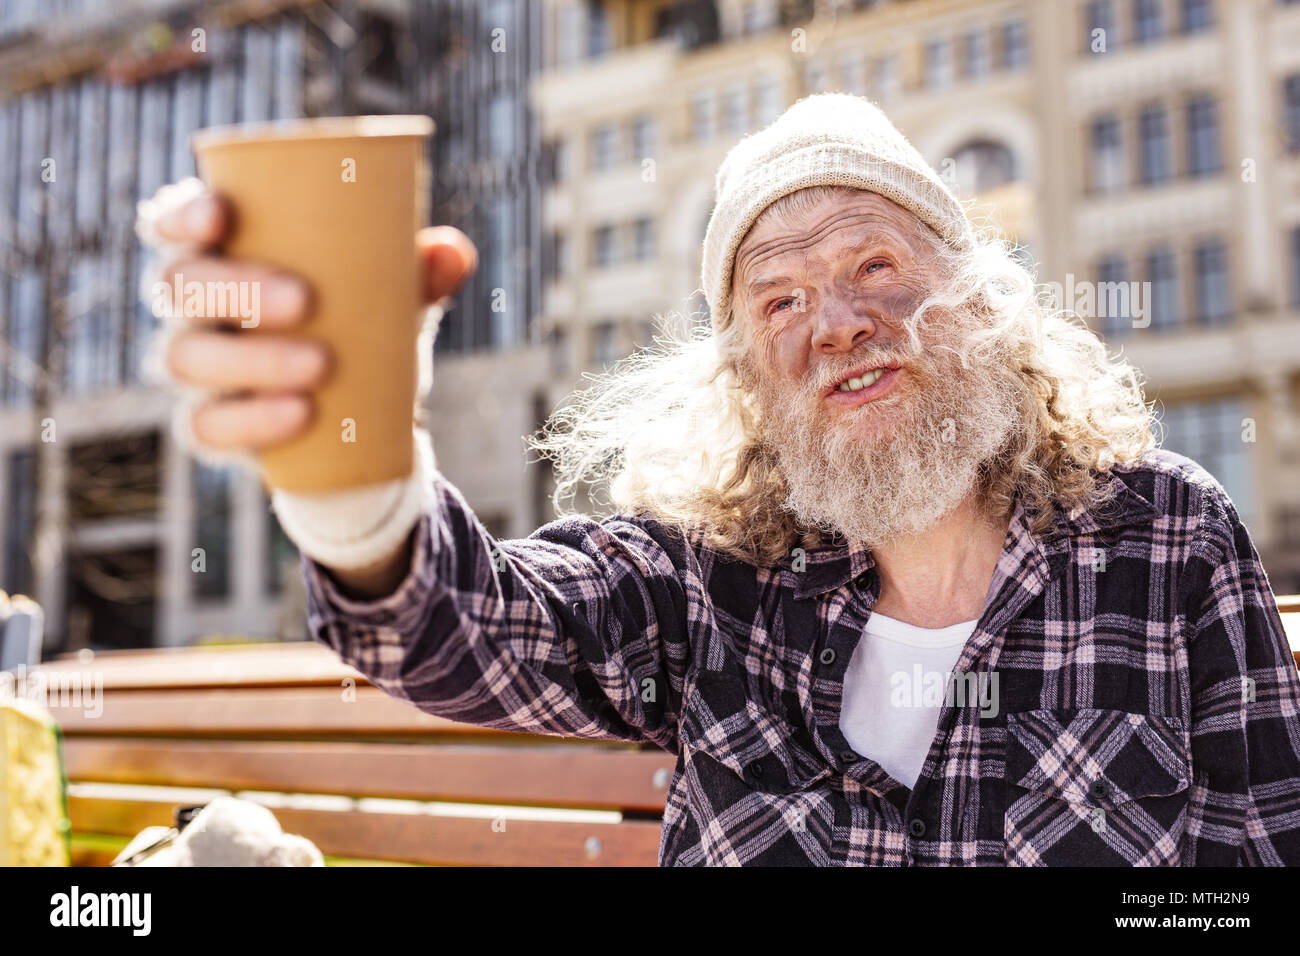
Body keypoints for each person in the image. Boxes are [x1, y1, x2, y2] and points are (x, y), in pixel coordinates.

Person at [137, 93, 1300, 866]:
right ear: (747, 376)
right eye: (779, 300)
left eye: (875, 264)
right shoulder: (701, 576)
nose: (837, 324)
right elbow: (457, 629)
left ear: (981, 302)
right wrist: (347, 457)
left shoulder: (1165, 533)